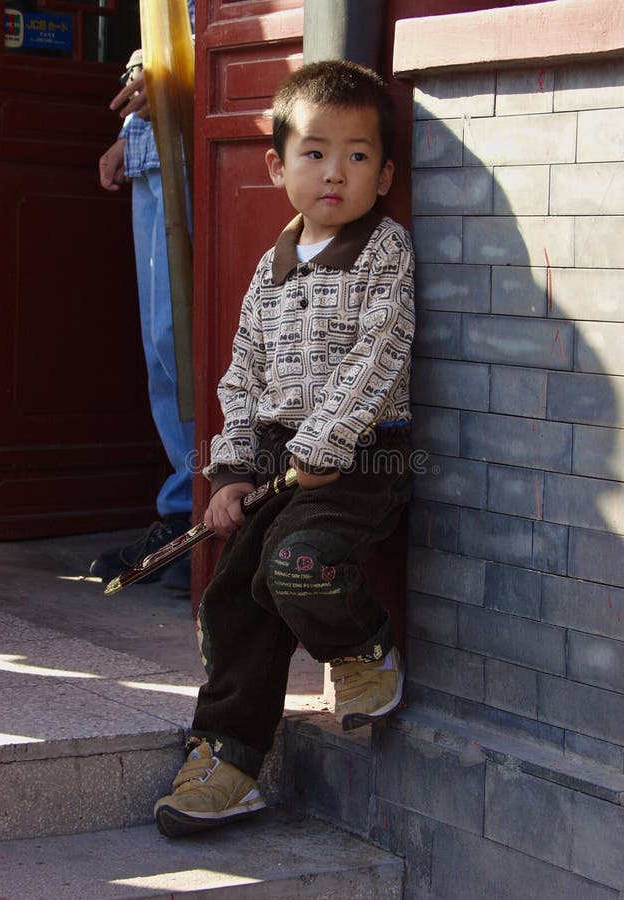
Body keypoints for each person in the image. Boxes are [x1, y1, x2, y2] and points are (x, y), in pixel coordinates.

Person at [153, 59, 415, 837]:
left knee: (296, 569)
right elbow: (241, 378)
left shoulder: (383, 250)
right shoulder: (270, 271)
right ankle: (227, 761)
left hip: (360, 461)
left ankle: (363, 649)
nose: (335, 171)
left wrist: (327, 442)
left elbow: (381, 353)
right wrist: (231, 474)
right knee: (233, 601)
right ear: (276, 165)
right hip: (276, 463)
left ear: (385, 171)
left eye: (358, 155)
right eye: (313, 152)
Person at [92, 1, 196, 594]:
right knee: (161, 345)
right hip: (152, 140)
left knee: (180, 335)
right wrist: (126, 137)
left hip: (189, 129)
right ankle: (181, 510)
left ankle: (195, 512)